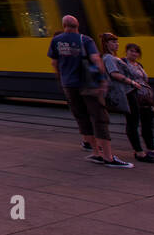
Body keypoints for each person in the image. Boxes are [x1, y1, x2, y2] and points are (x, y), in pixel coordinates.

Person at [47, 15, 130, 167]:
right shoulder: (85, 40)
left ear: (64, 25)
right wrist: (103, 80)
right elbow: (96, 60)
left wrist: (62, 80)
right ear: (77, 25)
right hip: (88, 85)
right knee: (99, 118)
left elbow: (54, 63)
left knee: (82, 118)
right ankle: (108, 157)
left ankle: (96, 153)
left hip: (69, 85)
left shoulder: (56, 41)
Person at [102, 34, 154, 164]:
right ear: (106, 43)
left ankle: (141, 151)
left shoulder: (114, 57)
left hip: (131, 93)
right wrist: (132, 82)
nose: (116, 44)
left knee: (135, 120)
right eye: (113, 42)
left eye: (116, 41)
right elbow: (114, 74)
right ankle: (139, 153)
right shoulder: (108, 58)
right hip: (126, 93)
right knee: (132, 122)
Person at [122, 43, 154, 160]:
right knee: (133, 124)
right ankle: (138, 151)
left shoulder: (139, 65)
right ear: (126, 52)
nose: (133, 53)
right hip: (132, 97)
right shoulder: (122, 64)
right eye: (131, 51)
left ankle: (151, 149)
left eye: (136, 52)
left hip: (145, 98)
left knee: (148, 124)